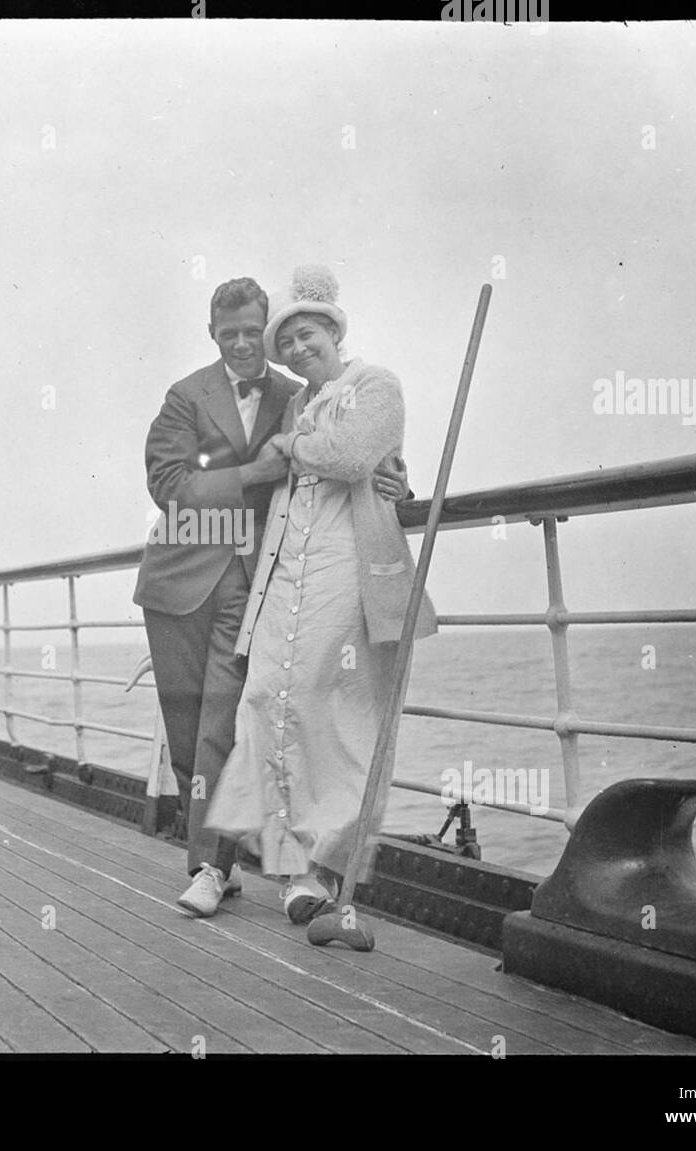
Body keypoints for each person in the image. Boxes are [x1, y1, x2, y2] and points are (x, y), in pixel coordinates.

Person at [133, 276, 410, 919]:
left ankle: (215, 863)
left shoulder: (296, 394)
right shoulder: (186, 396)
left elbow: (359, 449)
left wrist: (395, 476)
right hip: (179, 577)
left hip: (256, 579)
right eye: (225, 334)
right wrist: (261, 469)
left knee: (229, 718)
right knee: (185, 735)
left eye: (250, 333)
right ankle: (215, 860)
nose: (239, 345)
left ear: (269, 334)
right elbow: (168, 484)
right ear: (211, 334)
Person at [205, 265, 438, 926]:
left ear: (334, 330)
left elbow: (356, 456)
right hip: (288, 567)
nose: (300, 349)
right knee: (265, 696)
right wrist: (296, 443)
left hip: (345, 560)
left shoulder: (376, 383)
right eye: (290, 344)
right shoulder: (297, 405)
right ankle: (287, 864)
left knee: (318, 700)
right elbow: (311, 459)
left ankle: (321, 864)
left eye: (309, 335)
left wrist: (294, 448)